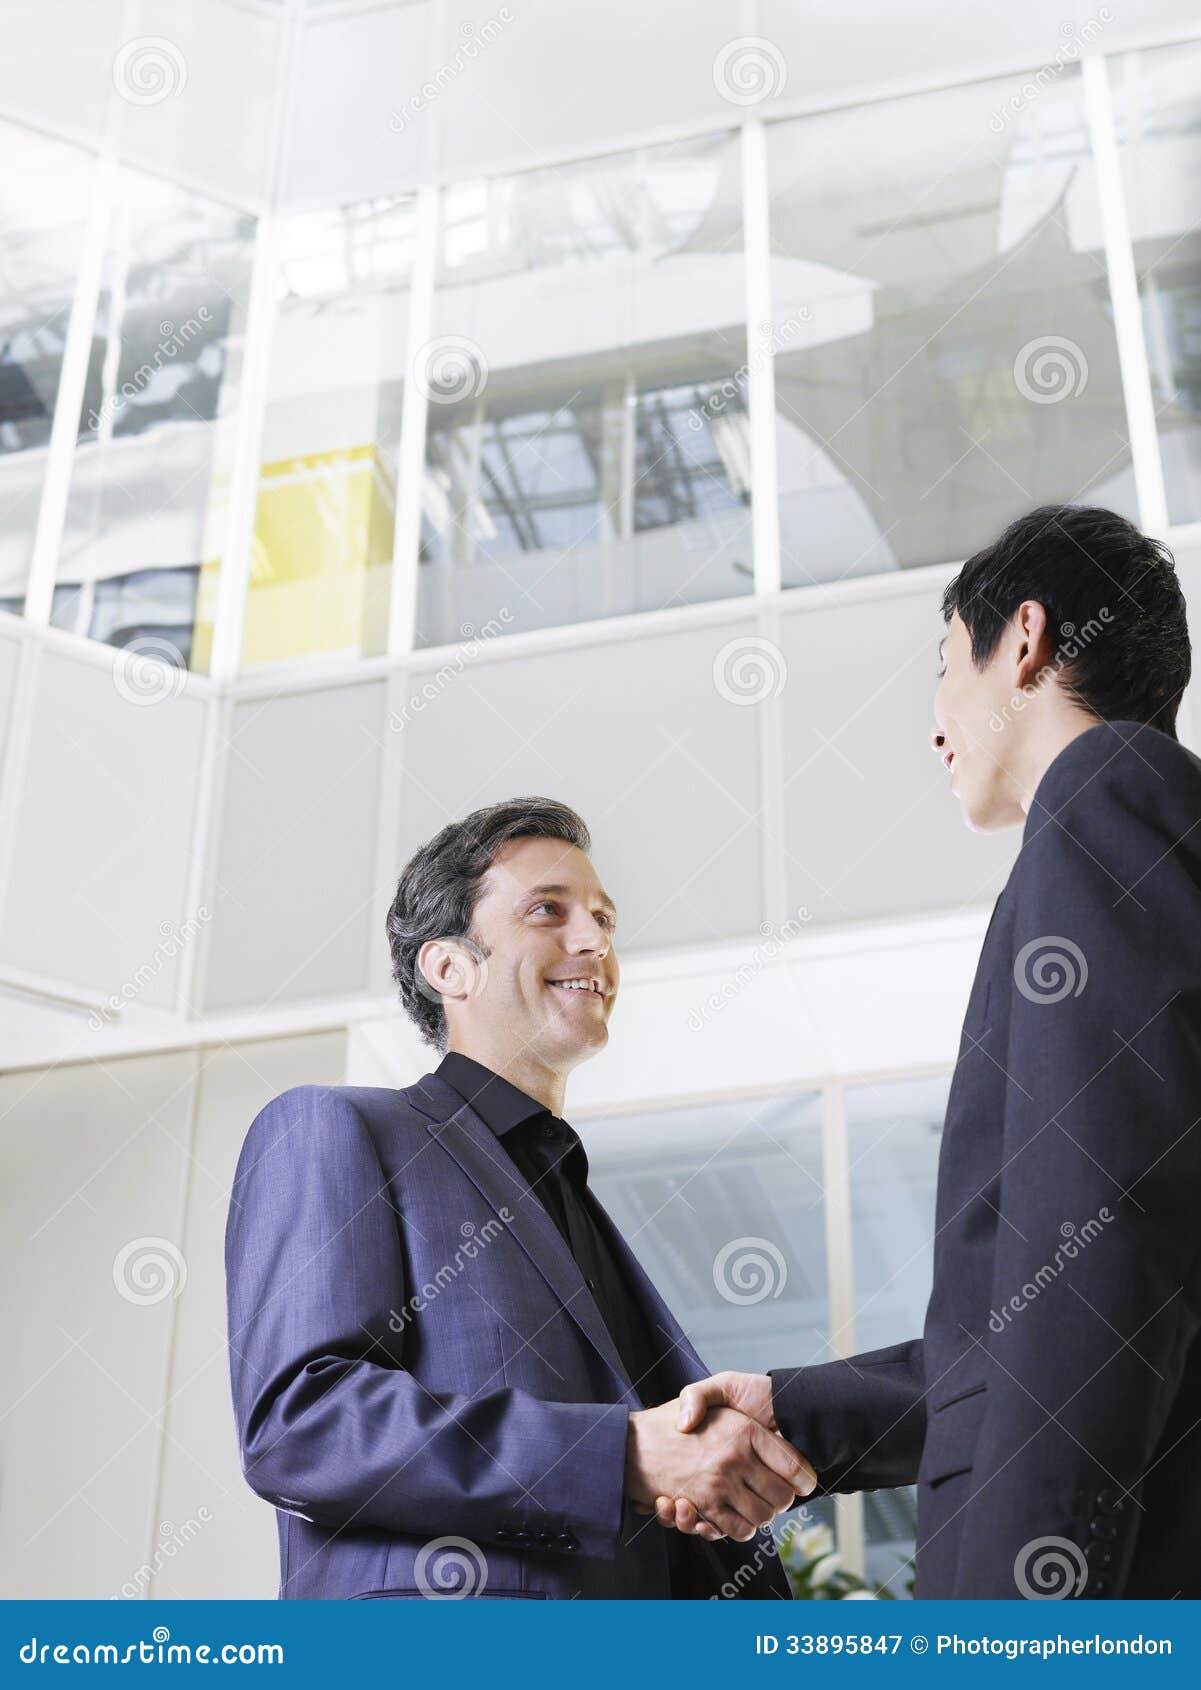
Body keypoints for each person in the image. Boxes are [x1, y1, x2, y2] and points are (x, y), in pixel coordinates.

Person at [655, 504, 1201, 1600]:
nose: (936, 722)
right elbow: (1044, 1305)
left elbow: (1107, 1224)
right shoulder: (1136, 817)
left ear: (1026, 639)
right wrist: (798, 1411)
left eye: (946, 662)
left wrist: (1023, 1616)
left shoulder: (1103, 794)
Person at [225, 798, 814, 1600]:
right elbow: (304, 1425)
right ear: (448, 967)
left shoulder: (573, 1202)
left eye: (604, 919)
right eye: (549, 911)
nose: (593, 941)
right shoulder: (335, 1127)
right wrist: (623, 1455)